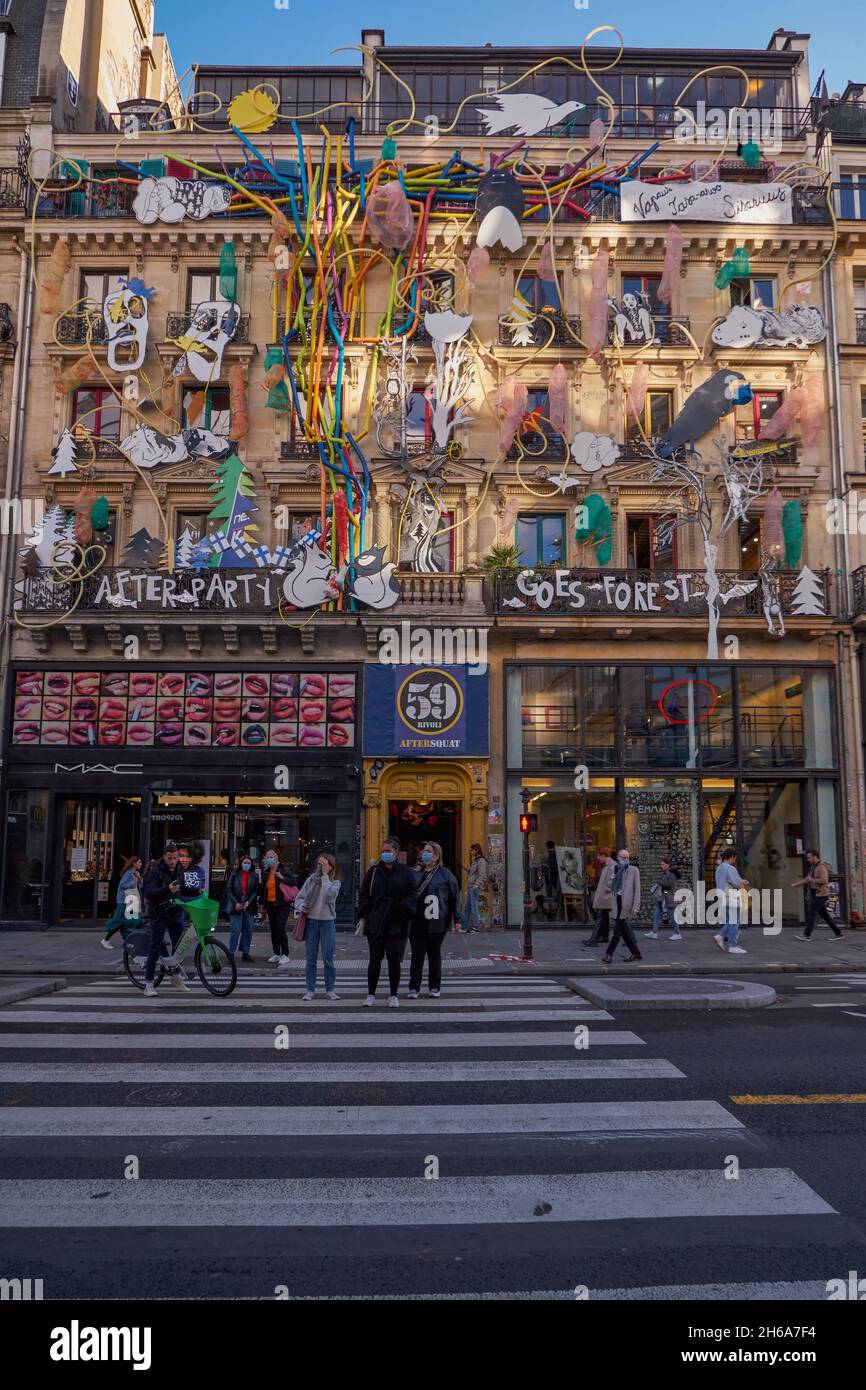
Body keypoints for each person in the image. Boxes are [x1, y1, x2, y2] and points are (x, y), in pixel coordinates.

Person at [357, 836, 417, 1007]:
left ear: (396, 852)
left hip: (396, 923)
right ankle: (371, 994)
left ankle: (393, 995)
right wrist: (367, 913)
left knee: (394, 959)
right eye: (383, 851)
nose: (385, 854)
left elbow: (412, 895)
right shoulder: (373, 871)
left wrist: (401, 911)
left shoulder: (405, 873)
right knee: (374, 959)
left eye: (388, 851)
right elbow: (364, 894)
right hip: (375, 922)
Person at [408, 841, 461, 999]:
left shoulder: (445, 874)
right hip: (417, 921)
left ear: (437, 856)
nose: (425, 853)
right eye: (424, 851)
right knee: (417, 954)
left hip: (438, 921)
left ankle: (435, 986)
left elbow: (454, 897)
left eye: (429, 851)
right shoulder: (415, 873)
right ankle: (414, 987)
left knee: (434, 954)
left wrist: (457, 919)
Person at [142, 841, 188, 996]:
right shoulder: (155, 870)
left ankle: (176, 977)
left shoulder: (179, 869)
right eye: (170, 858)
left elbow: (183, 887)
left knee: (179, 947)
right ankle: (148, 983)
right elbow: (149, 892)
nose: (173, 861)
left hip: (175, 911)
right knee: (155, 947)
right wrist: (167, 889)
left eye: (175, 858)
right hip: (159, 913)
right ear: (164, 857)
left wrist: (198, 892)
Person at [294, 852, 341, 999]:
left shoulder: (335, 882)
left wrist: (325, 876)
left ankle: (330, 989)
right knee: (311, 958)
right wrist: (302, 907)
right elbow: (299, 898)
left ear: (331, 866)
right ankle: (310, 990)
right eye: (319, 864)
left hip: (327, 923)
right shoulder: (310, 881)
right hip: (312, 922)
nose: (321, 867)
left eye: (324, 864)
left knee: (328, 958)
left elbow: (330, 896)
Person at [602, 849, 642, 964]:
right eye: (624, 857)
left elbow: (637, 890)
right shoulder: (614, 868)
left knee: (617, 931)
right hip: (617, 903)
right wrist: (613, 879)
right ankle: (636, 953)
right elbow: (609, 886)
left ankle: (608, 954)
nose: (626, 860)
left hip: (626, 904)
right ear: (618, 858)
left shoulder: (633, 870)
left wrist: (636, 906)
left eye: (628, 858)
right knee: (624, 931)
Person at [793, 850, 844, 941]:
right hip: (816, 893)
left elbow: (824, 880)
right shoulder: (813, 866)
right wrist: (796, 884)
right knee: (824, 915)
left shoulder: (821, 867)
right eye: (807, 858)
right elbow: (808, 879)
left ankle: (806, 935)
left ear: (815, 856)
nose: (808, 860)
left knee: (811, 912)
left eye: (809, 857)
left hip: (821, 894)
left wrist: (812, 880)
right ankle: (838, 933)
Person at [261, 850, 296, 966]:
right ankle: (276, 953)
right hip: (270, 904)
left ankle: (285, 954)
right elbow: (264, 889)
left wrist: (281, 877)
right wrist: (262, 904)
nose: (270, 859)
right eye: (268, 857)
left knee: (280, 927)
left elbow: (293, 882)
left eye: (272, 857)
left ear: (276, 859)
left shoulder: (284, 869)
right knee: (273, 929)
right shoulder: (266, 872)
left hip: (282, 904)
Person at [101, 855, 143, 947]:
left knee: (132, 921)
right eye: (139, 862)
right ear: (134, 863)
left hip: (132, 899)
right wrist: (134, 881)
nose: (141, 864)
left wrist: (139, 879)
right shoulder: (128, 873)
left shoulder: (135, 873)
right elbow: (123, 885)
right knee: (121, 920)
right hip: (125, 900)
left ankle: (128, 940)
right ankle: (106, 939)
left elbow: (141, 886)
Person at [225, 852, 260, 961]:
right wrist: (236, 902)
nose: (246, 865)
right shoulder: (234, 873)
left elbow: (255, 890)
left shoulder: (254, 875)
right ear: (241, 863)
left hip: (248, 905)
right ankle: (231, 953)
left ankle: (245, 952)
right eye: (245, 863)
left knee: (248, 929)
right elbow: (229, 889)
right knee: (235, 929)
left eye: (248, 863)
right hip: (236, 903)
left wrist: (248, 902)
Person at [714, 848, 748, 954]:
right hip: (731, 896)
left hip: (722, 896)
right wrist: (743, 881)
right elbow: (736, 883)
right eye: (735, 858)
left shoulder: (719, 868)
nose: (734, 860)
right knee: (735, 922)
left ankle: (721, 936)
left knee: (730, 921)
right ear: (732, 856)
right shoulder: (730, 868)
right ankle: (732, 945)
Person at [643, 857, 683, 942]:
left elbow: (669, 884)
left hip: (669, 898)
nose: (661, 866)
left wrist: (658, 882)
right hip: (663, 898)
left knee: (672, 917)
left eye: (663, 864)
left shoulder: (671, 874)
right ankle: (654, 933)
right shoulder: (665, 873)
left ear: (668, 865)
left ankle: (677, 933)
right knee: (656, 915)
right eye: (661, 864)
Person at [585, 847, 613, 945]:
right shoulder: (605, 865)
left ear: (603, 855)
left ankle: (593, 940)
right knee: (604, 916)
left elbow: (612, 881)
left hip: (606, 896)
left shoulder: (611, 865)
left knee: (599, 916)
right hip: (603, 895)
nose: (597, 858)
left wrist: (605, 890)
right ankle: (604, 937)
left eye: (598, 856)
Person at [465, 843, 488, 933]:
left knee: (474, 907)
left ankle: (476, 927)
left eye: (472, 850)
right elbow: (474, 872)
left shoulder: (481, 861)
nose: (471, 852)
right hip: (471, 886)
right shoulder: (476, 860)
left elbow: (482, 874)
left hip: (474, 886)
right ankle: (464, 926)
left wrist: (477, 884)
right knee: (468, 907)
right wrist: (467, 869)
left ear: (477, 850)